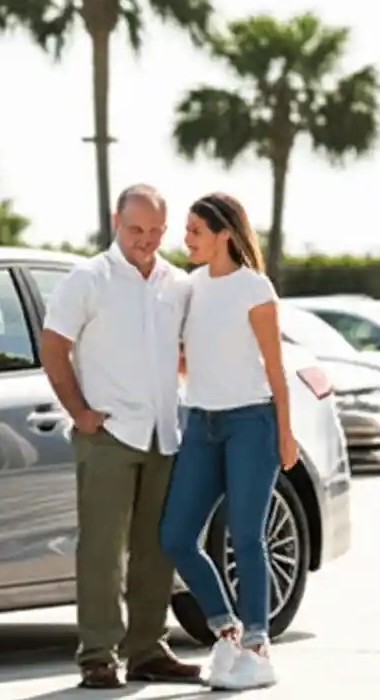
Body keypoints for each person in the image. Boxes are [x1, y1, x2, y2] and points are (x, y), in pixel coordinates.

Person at [40, 184, 201, 689]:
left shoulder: (176, 282)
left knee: (158, 548)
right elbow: (52, 345)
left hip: (163, 434)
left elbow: (187, 350)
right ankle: (98, 655)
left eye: (156, 232)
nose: (146, 241)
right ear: (116, 221)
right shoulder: (88, 278)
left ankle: (148, 650)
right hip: (108, 433)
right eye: (137, 230)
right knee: (102, 550)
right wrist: (79, 412)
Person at [159, 192, 296, 691]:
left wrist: (285, 431)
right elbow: (190, 356)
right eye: (187, 229)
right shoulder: (190, 287)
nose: (187, 239)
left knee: (245, 535)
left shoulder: (254, 287)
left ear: (224, 234)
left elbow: (275, 368)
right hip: (201, 423)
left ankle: (258, 648)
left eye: (196, 230)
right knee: (175, 535)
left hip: (250, 423)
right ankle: (227, 631)